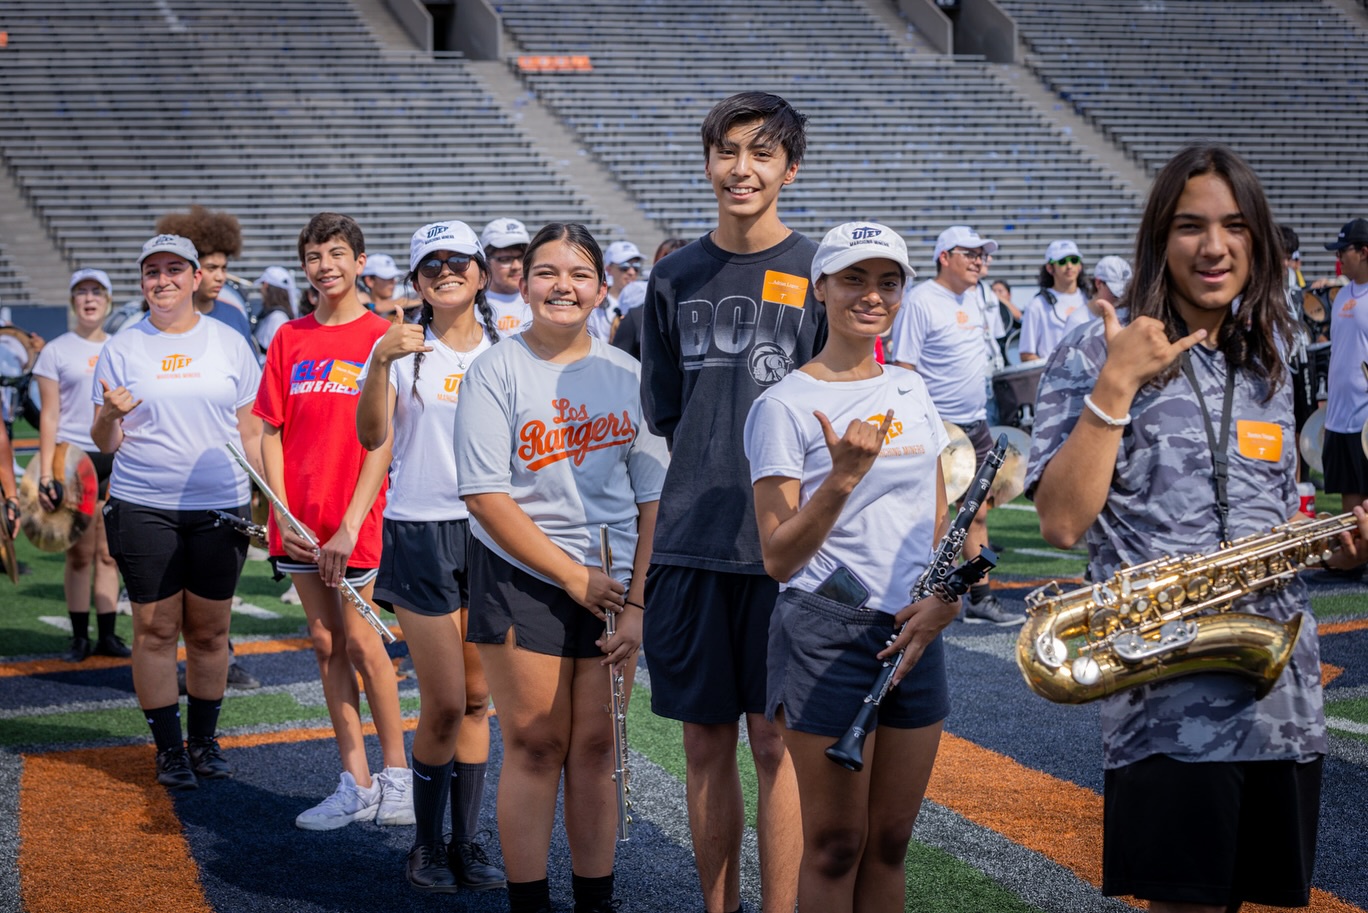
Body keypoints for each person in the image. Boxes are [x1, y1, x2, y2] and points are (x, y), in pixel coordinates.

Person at [1028, 142, 1368, 913]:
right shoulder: (1097, 348)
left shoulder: (1272, 348)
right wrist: (1116, 382)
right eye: (1191, 226)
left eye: (1234, 225)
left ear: (1258, 238)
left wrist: (1341, 548)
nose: (1214, 246)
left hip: (1280, 695)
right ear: (1160, 236)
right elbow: (1060, 521)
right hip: (1167, 699)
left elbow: (1272, 509)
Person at [639, 91, 820, 913]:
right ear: (708, 161)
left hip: (786, 548)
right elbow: (669, 412)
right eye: (727, 151)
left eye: (761, 152)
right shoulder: (672, 276)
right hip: (692, 539)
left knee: (776, 744)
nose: (741, 169)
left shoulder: (820, 271)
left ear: (790, 167)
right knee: (705, 744)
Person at [455, 222, 668, 913]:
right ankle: (530, 903)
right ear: (523, 283)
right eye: (547, 272)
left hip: (613, 584)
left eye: (579, 274)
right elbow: (485, 496)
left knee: (599, 745)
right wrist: (573, 577)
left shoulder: (629, 375)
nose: (562, 286)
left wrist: (636, 604)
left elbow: (652, 500)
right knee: (536, 742)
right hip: (523, 577)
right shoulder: (496, 369)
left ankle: (595, 902)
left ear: (602, 288)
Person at [746, 222, 957, 912]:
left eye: (888, 282)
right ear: (822, 288)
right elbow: (778, 557)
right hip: (826, 629)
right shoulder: (782, 404)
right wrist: (840, 480)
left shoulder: (910, 387)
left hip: (914, 631)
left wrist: (945, 595)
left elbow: (937, 517)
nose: (872, 296)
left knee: (891, 842)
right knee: (836, 845)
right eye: (854, 280)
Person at [356, 220, 506, 893]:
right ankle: (424, 844)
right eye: (431, 264)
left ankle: (465, 843)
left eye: (458, 261)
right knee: (444, 701)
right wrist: (380, 362)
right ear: (417, 282)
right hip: (420, 531)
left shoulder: (509, 350)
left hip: (494, 533)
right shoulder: (400, 348)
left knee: (477, 699)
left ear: (481, 271)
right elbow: (371, 436)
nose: (446, 271)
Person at [254, 212, 411, 830]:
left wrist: (348, 523)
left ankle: (399, 778)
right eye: (315, 256)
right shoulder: (288, 338)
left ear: (359, 261)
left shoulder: (382, 335)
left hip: (355, 521)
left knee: (365, 644)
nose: (326, 266)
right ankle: (356, 781)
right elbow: (270, 429)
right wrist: (281, 509)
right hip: (298, 521)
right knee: (325, 645)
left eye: (337, 253)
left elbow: (382, 441)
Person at [91, 233, 263, 790]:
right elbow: (106, 441)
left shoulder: (229, 342)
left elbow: (252, 430)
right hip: (144, 504)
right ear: (142, 282)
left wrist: (271, 501)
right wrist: (107, 415)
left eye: (173, 269)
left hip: (220, 504)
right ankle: (169, 750)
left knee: (211, 633)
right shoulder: (122, 346)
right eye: (152, 271)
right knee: (155, 629)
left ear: (195, 277)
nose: (162, 280)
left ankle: (204, 742)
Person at [890, 225, 1018, 625]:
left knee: (977, 514)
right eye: (970, 254)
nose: (979, 261)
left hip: (975, 423)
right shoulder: (921, 301)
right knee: (935, 519)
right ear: (944, 257)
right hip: (939, 427)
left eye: (982, 255)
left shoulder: (977, 297)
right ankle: (922, 597)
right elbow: (904, 367)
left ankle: (979, 596)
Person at [156, 205, 261, 689]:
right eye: (212, 267)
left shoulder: (233, 315)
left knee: (216, 587)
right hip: (163, 479)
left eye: (223, 266)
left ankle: (222, 653)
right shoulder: (152, 321)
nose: (220, 277)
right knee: (166, 591)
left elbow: (250, 398)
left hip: (224, 472)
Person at [32, 268, 127, 662]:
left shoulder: (122, 347)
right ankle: (78, 638)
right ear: (73, 301)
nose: (89, 299)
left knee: (108, 553)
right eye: (82, 292)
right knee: (79, 554)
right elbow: (49, 415)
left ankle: (108, 635)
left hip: (115, 457)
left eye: (97, 292)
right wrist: (46, 472)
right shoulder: (56, 350)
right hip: (72, 458)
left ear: (108, 300)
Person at [1321, 217, 1368, 523]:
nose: (1338, 257)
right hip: (1339, 418)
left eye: (1343, 250)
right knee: (1350, 514)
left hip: (1366, 420)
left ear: (1363, 252)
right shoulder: (1342, 295)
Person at [1019, 240, 1096, 363]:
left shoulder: (1091, 299)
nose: (1069, 266)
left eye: (1074, 260)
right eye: (1062, 261)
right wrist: (1053, 371)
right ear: (1050, 268)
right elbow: (1026, 354)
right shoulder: (1037, 305)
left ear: (1080, 266)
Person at [481, 218, 534, 335]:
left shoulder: (542, 300)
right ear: (486, 261)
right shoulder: (471, 307)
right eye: (505, 259)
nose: (516, 266)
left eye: (522, 257)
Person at [590, 241, 644, 341]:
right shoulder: (596, 305)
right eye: (625, 267)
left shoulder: (645, 301)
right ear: (608, 269)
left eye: (636, 267)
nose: (631, 272)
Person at [253, 266, 296, 355]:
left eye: (262, 285)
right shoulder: (277, 316)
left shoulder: (277, 318)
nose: (261, 290)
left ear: (266, 285)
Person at [360, 254, 417, 318]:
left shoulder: (404, 292)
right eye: (387, 277)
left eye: (393, 277)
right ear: (369, 281)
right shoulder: (360, 301)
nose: (393, 281)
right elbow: (377, 307)